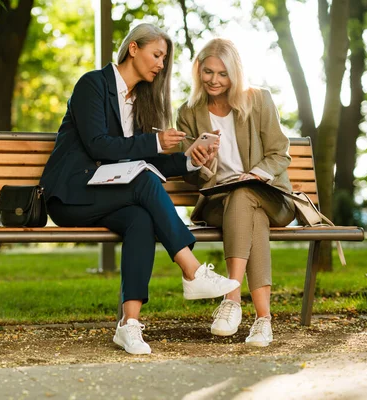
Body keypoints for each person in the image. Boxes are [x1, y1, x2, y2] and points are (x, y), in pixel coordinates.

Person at [40, 24, 240, 355]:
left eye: (164, 58)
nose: (161, 64)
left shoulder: (142, 102)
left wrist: (189, 160)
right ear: (133, 49)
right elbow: (98, 146)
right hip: (71, 195)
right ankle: (191, 271)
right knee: (144, 180)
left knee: (141, 220)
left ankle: (128, 325)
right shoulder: (93, 84)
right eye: (156, 54)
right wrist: (155, 141)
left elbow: (144, 160)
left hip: (111, 196)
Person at [176, 38, 295, 347]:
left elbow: (280, 154)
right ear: (198, 71)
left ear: (234, 74)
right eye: (208, 72)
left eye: (223, 73)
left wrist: (255, 173)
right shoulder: (189, 112)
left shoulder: (258, 101)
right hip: (220, 202)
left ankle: (231, 299)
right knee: (243, 205)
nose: (214, 80)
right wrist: (200, 161)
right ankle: (263, 321)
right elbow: (191, 174)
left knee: (246, 196)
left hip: (270, 197)